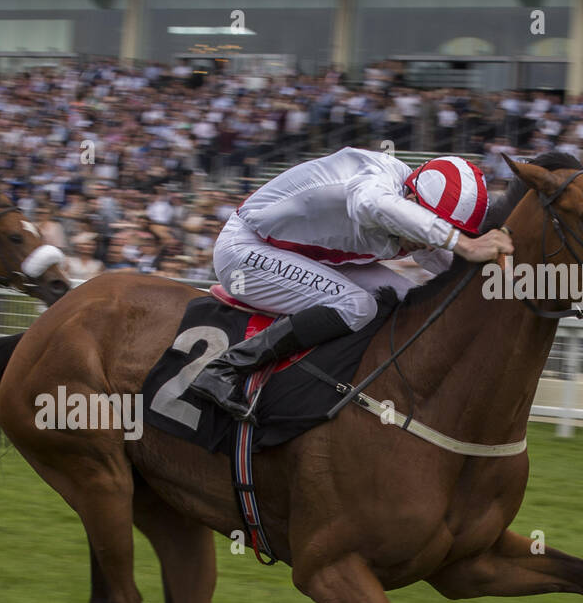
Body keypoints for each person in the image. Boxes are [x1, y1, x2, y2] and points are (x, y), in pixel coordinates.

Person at [186, 147, 514, 420]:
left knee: (413, 301)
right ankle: (225, 369)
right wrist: (463, 243)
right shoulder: (376, 180)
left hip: (310, 258)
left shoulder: (415, 204)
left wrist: (497, 288)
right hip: (245, 251)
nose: (429, 244)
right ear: (410, 197)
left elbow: (441, 264)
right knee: (356, 305)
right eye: (432, 230)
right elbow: (374, 205)